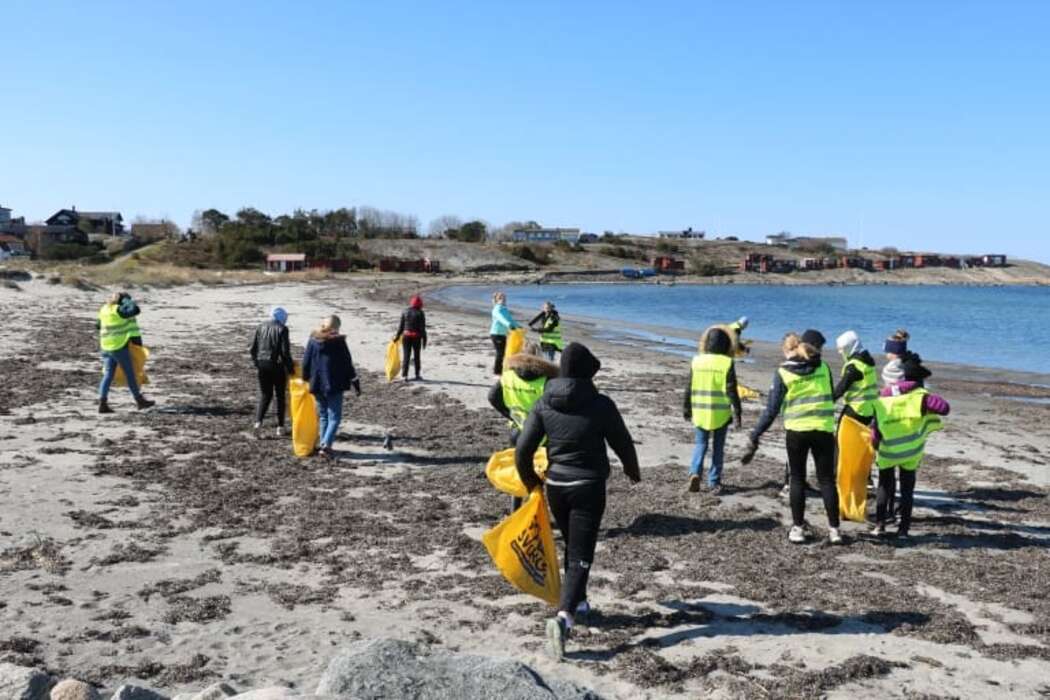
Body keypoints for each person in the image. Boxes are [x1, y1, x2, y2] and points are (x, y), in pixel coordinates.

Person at [515, 342, 640, 660]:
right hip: (588, 486)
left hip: (556, 484)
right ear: (587, 372)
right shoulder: (601, 404)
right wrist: (632, 470)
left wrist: (532, 483)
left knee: (573, 546)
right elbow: (622, 442)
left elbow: (523, 450)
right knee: (582, 554)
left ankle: (581, 602)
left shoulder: (545, 403)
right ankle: (564, 617)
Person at [742, 332, 842, 545]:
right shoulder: (823, 367)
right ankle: (834, 530)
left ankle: (797, 528)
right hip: (823, 428)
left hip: (797, 430)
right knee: (826, 480)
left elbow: (771, 410)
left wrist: (755, 434)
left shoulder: (783, 372)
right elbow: (830, 394)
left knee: (797, 478)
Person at [871, 358, 949, 538]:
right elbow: (944, 408)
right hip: (911, 451)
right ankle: (903, 530)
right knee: (907, 490)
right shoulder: (921, 397)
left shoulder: (884, 396)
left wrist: (875, 444)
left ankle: (879, 525)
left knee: (884, 485)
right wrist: (925, 395)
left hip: (888, 450)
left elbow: (876, 425)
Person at [488, 342, 559, 510]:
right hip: (544, 437)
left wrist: (511, 414)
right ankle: (538, 510)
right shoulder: (547, 379)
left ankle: (516, 510)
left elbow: (492, 397)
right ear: (540, 358)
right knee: (545, 475)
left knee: (520, 471)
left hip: (518, 431)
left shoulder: (508, 376)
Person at [683, 327, 742, 494]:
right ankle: (714, 481)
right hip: (720, 413)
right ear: (725, 345)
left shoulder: (697, 361)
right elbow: (732, 390)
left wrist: (686, 409)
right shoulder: (726, 363)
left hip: (700, 411)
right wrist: (738, 413)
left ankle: (695, 472)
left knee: (700, 443)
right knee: (718, 447)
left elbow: (689, 387)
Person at [301, 315, 361, 458]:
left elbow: (306, 362)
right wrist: (355, 382)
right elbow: (347, 364)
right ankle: (326, 445)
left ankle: (323, 444)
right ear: (336, 327)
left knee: (323, 416)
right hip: (334, 384)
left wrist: (305, 378)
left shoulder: (312, 340)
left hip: (317, 383)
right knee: (334, 417)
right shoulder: (339, 342)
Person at [97, 291, 155, 414]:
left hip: (106, 346)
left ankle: (102, 403)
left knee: (108, 375)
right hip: (118, 347)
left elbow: (98, 325)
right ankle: (139, 401)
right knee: (130, 373)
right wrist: (127, 301)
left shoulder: (104, 308)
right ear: (121, 301)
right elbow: (135, 310)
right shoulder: (118, 310)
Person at [250, 306, 295, 437]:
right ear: (282, 317)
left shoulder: (260, 326)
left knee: (265, 395)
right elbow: (285, 352)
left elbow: (253, 349)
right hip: (277, 365)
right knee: (280, 396)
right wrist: (291, 368)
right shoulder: (283, 329)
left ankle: (258, 423)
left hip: (262, 365)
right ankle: (280, 427)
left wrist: (257, 363)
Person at [833, 330, 878, 424]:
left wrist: (828, 401)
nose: (840, 352)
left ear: (849, 347)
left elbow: (841, 388)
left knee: (842, 436)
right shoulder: (868, 362)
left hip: (856, 409)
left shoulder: (854, 366)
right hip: (870, 409)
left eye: (842, 349)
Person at [394, 294, 427, 381]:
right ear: (420, 304)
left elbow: (401, 326)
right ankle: (417, 375)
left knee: (406, 356)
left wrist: (397, 337)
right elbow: (423, 328)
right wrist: (424, 340)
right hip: (417, 337)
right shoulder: (421, 313)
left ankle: (405, 376)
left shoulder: (405, 311)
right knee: (417, 356)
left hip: (406, 336)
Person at [490, 292, 519, 376]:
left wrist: (518, 326)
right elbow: (501, 319)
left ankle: (503, 370)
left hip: (503, 334)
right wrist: (509, 325)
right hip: (496, 334)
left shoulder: (504, 309)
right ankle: (497, 372)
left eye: (504, 298)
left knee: (505, 352)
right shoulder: (496, 309)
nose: (503, 300)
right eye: (500, 298)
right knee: (500, 353)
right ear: (496, 300)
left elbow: (511, 320)